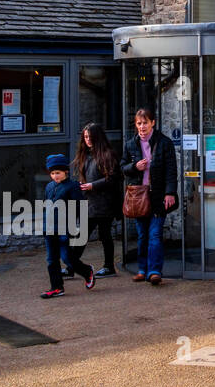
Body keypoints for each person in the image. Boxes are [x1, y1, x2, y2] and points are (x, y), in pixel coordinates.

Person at [120, 107, 177, 285]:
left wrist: (170, 193)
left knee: (154, 235)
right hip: (138, 197)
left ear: (153, 123)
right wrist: (134, 167)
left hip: (158, 196)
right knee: (142, 235)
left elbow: (171, 171)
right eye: (139, 123)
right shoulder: (130, 144)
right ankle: (142, 269)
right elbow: (122, 168)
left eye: (145, 123)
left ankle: (154, 271)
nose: (142, 126)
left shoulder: (164, 143)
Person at [41, 154, 95, 298]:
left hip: (66, 228)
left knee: (67, 258)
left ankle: (86, 271)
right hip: (50, 229)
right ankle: (57, 287)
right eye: (52, 173)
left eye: (57, 173)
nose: (55, 176)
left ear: (66, 172)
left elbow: (79, 207)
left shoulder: (73, 186)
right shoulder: (49, 186)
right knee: (51, 259)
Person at [74, 122, 122, 276]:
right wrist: (83, 185)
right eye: (85, 136)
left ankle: (108, 266)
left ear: (98, 137)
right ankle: (72, 265)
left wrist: (92, 186)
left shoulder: (107, 154)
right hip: (89, 202)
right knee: (83, 235)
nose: (87, 139)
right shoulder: (85, 155)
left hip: (104, 203)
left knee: (104, 235)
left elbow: (114, 178)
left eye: (90, 136)